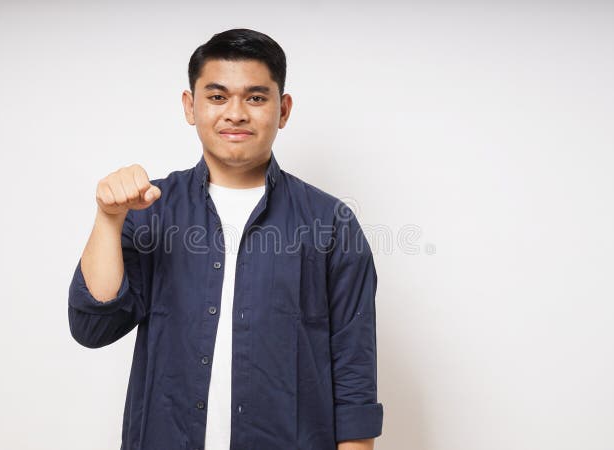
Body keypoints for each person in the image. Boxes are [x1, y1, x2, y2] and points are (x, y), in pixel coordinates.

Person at [68, 28, 383, 450]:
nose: (235, 113)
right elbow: (94, 326)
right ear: (190, 106)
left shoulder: (330, 222)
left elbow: (354, 370)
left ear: (283, 109)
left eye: (255, 97)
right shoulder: (151, 210)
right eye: (217, 97)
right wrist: (109, 219)